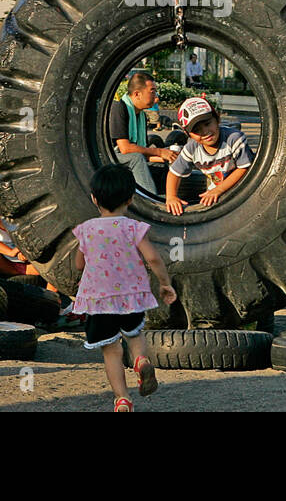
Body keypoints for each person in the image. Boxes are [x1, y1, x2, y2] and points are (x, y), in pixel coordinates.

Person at [73, 164, 177, 412]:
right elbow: (152, 258)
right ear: (131, 198)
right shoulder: (133, 228)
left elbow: (78, 265)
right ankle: (141, 361)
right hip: (131, 296)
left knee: (111, 351)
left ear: (94, 198)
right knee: (134, 335)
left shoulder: (86, 229)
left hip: (99, 300)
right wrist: (165, 283)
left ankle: (122, 399)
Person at [165, 96, 254, 216]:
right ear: (188, 134)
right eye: (197, 130)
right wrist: (171, 197)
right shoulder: (192, 148)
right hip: (215, 192)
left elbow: (244, 168)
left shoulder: (234, 138)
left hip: (243, 189)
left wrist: (219, 190)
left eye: (207, 124)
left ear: (217, 119)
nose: (205, 132)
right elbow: (174, 173)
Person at [107, 71, 177, 199]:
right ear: (137, 94)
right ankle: (151, 204)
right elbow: (125, 149)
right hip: (110, 157)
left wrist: (168, 157)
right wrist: (158, 152)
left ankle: (169, 200)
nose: (156, 97)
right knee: (136, 158)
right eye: (152, 91)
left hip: (129, 157)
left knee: (165, 165)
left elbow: (143, 152)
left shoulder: (142, 116)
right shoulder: (119, 109)